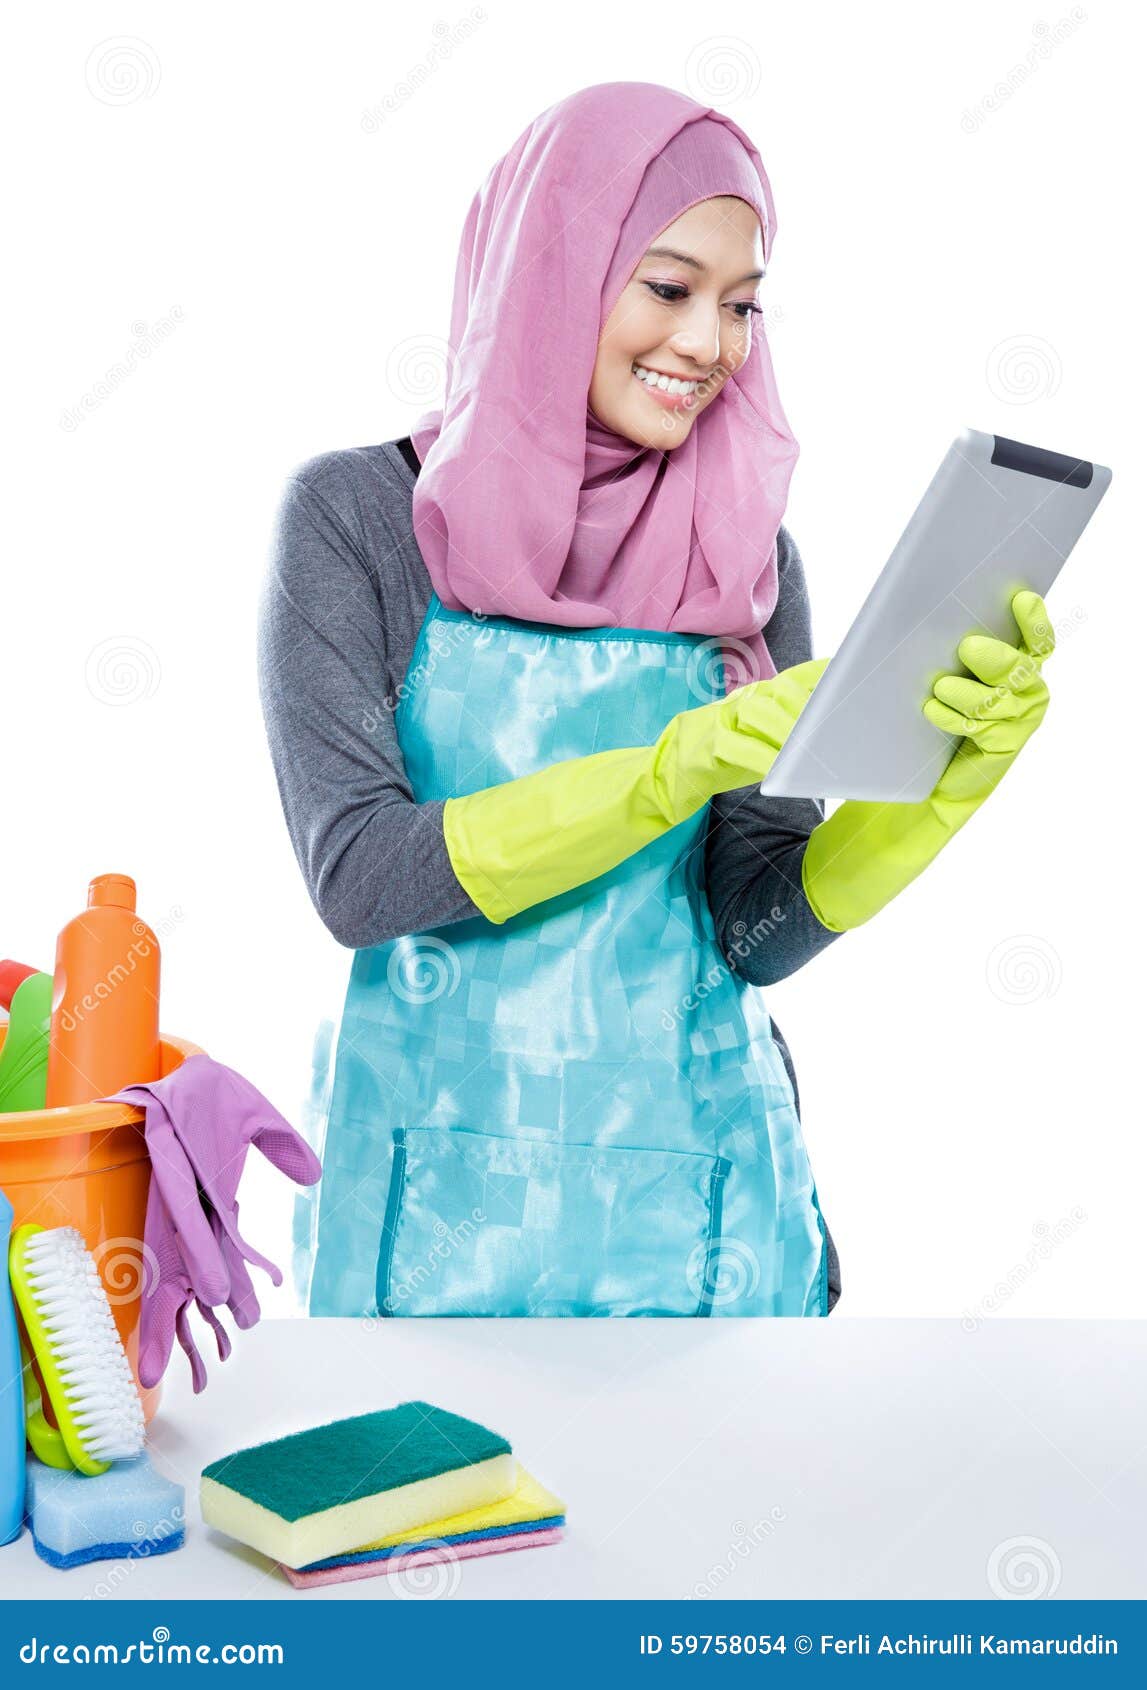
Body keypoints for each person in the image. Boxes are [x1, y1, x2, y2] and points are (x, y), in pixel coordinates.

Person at [258, 82, 1052, 1320]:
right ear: (551, 273)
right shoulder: (361, 520)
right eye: (669, 287)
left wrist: (928, 801)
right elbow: (359, 880)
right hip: (433, 1222)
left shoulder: (746, 556)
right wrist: (670, 767)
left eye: (740, 304)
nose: (709, 343)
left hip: (707, 1221)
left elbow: (751, 932)